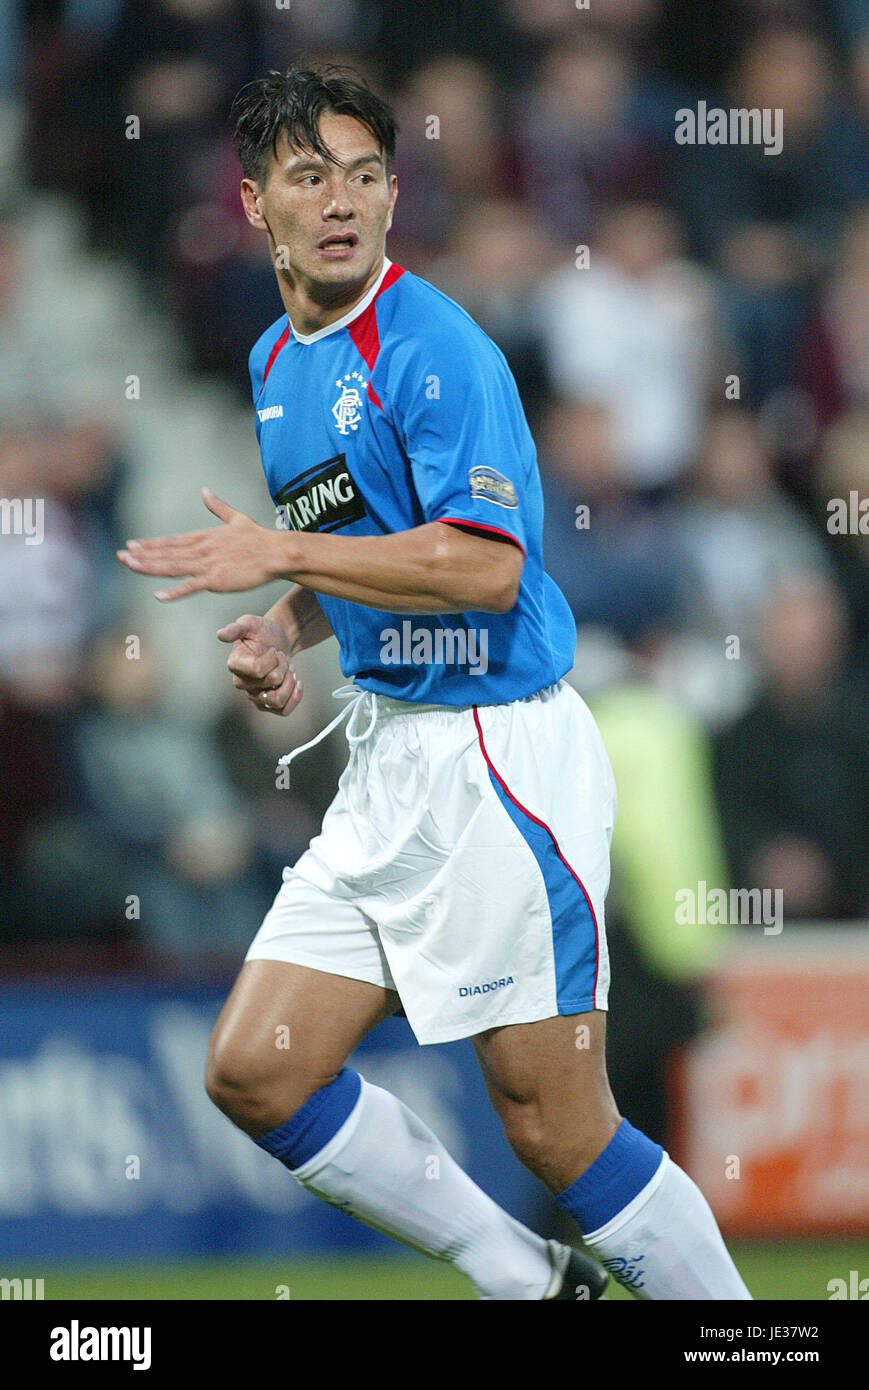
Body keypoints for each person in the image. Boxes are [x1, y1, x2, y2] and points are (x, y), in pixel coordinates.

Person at [117, 63, 750, 1300]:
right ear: (255, 206)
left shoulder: (433, 345)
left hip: (497, 756)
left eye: (364, 174)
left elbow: (482, 572)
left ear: (395, 194)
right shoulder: (274, 359)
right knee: (256, 1069)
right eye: (309, 176)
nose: (342, 200)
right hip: (389, 756)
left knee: (554, 1130)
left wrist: (281, 552)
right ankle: (530, 1284)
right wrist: (289, 626)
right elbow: (373, 537)